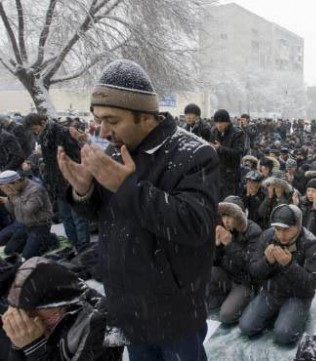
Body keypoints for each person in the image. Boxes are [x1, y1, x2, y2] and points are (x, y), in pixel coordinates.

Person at [57, 59, 219, 361]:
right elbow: (106, 217)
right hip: (126, 301)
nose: (102, 131)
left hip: (175, 307)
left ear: (145, 117)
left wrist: (127, 186)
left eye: (112, 121)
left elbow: (195, 224)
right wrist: (84, 191)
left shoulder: (194, 153)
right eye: (97, 119)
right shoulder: (109, 149)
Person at [1, 256, 123, 361]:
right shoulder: (46, 318)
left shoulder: (109, 321)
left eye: (35, 308)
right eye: (21, 308)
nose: (27, 316)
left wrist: (36, 349)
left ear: (60, 303)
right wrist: (18, 343)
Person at [239, 204, 316, 345]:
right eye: (278, 229)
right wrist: (267, 262)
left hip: (297, 297)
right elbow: (253, 271)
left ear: (298, 225)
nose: (281, 235)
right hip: (271, 292)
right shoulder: (267, 236)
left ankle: (297, 313)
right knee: (246, 327)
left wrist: (289, 264)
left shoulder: (311, 244)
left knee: (283, 336)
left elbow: (311, 284)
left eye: (286, 230)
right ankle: (278, 315)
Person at [24, 113, 90, 252]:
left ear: (42, 122)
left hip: (70, 179)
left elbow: (75, 156)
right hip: (56, 182)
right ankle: (74, 244)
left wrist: (71, 175)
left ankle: (84, 247)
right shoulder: (43, 135)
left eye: (35, 129)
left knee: (77, 216)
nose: (35, 132)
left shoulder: (61, 132)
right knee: (65, 216)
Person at [209, 199, 262, 325]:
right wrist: (216, 246)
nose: (226, 221)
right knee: (206, 273)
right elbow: (214, 262)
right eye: (224, 216)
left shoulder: (253, 231)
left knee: (226, 316)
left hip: (246, 282)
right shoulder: (221, 227)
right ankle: (225, 296)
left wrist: (229, 244)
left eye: (230, 216)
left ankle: (247, 299)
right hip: (227, 276)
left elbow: (251, 266)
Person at [0, 170, 57, 259]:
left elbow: (29, 210)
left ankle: (49, 239)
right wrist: (9, 198)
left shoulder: (35, 189)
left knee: (28, 255)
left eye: (8, 187)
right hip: (23, 225)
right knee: (9, 251)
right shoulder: (14, 190)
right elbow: (11, 210)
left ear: (16, 182)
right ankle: (32, 241)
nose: (7, 190)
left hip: (40, 225)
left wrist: (14, 197)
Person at [210, 109, 244, 200]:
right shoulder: (214, 131)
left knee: (228, 202)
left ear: (227, 122)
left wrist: (220, 148)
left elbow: (238, 152)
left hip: (231, 175)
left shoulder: (237, 133)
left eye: (221, 122)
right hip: (216, 174)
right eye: (216, 123)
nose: (218, 125)